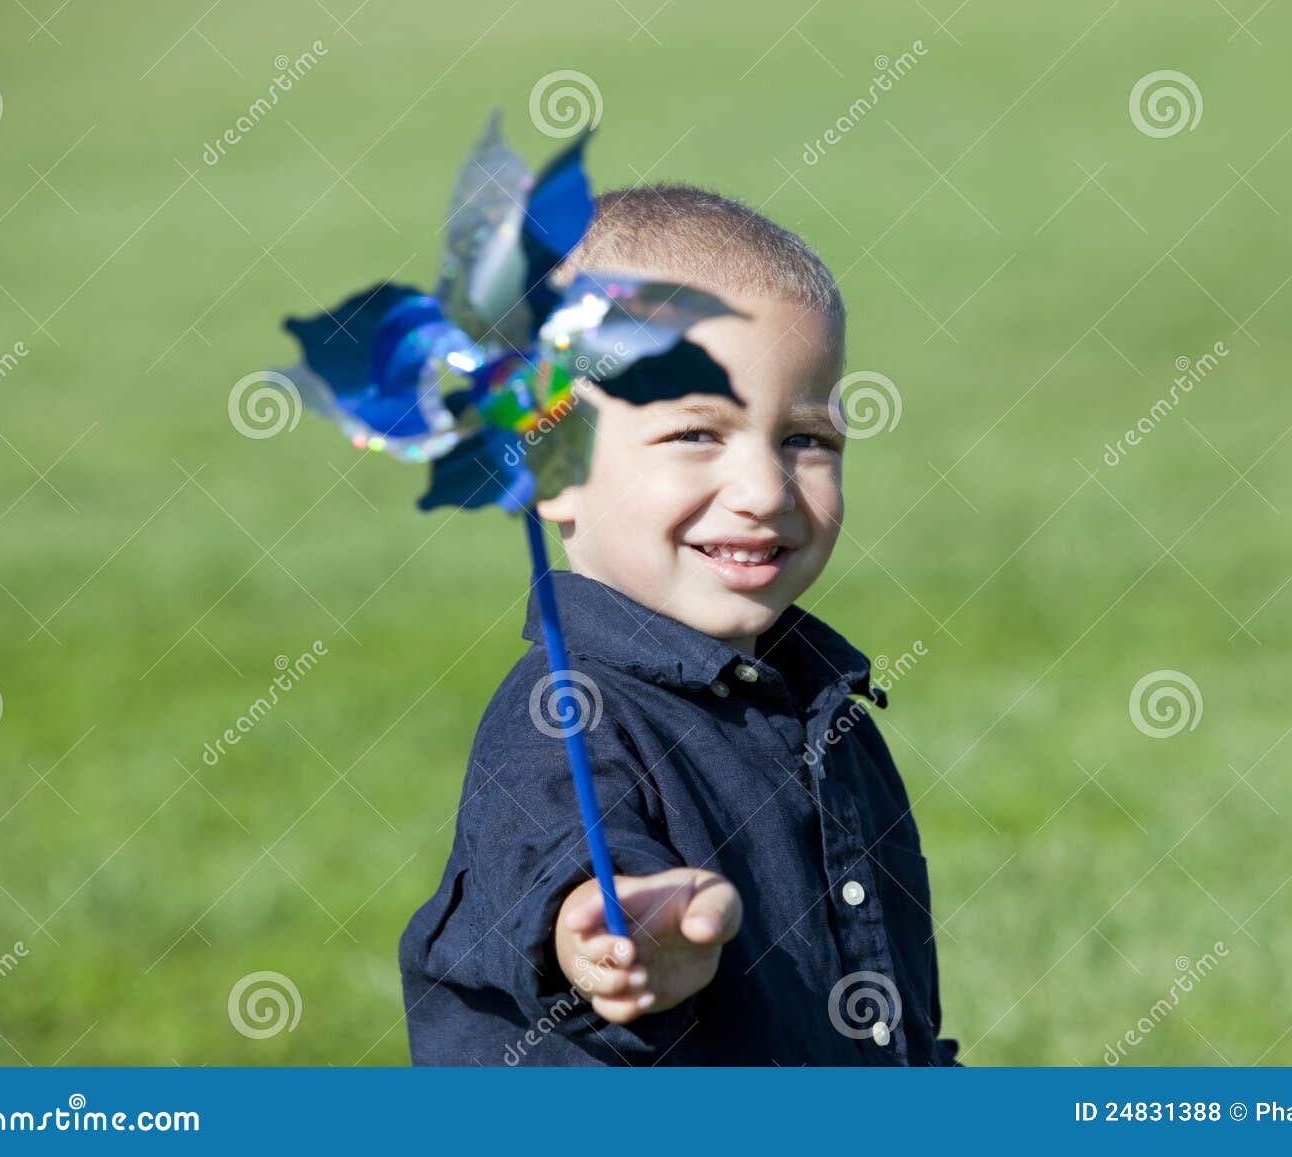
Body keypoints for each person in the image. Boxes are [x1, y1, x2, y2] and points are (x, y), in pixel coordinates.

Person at [399, 185, 956, 1065]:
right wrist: (610, 936)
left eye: (804, 438)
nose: (766, 490)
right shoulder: (563, 718)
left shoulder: (821, 705)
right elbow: (573, 874)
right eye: (698, 432)